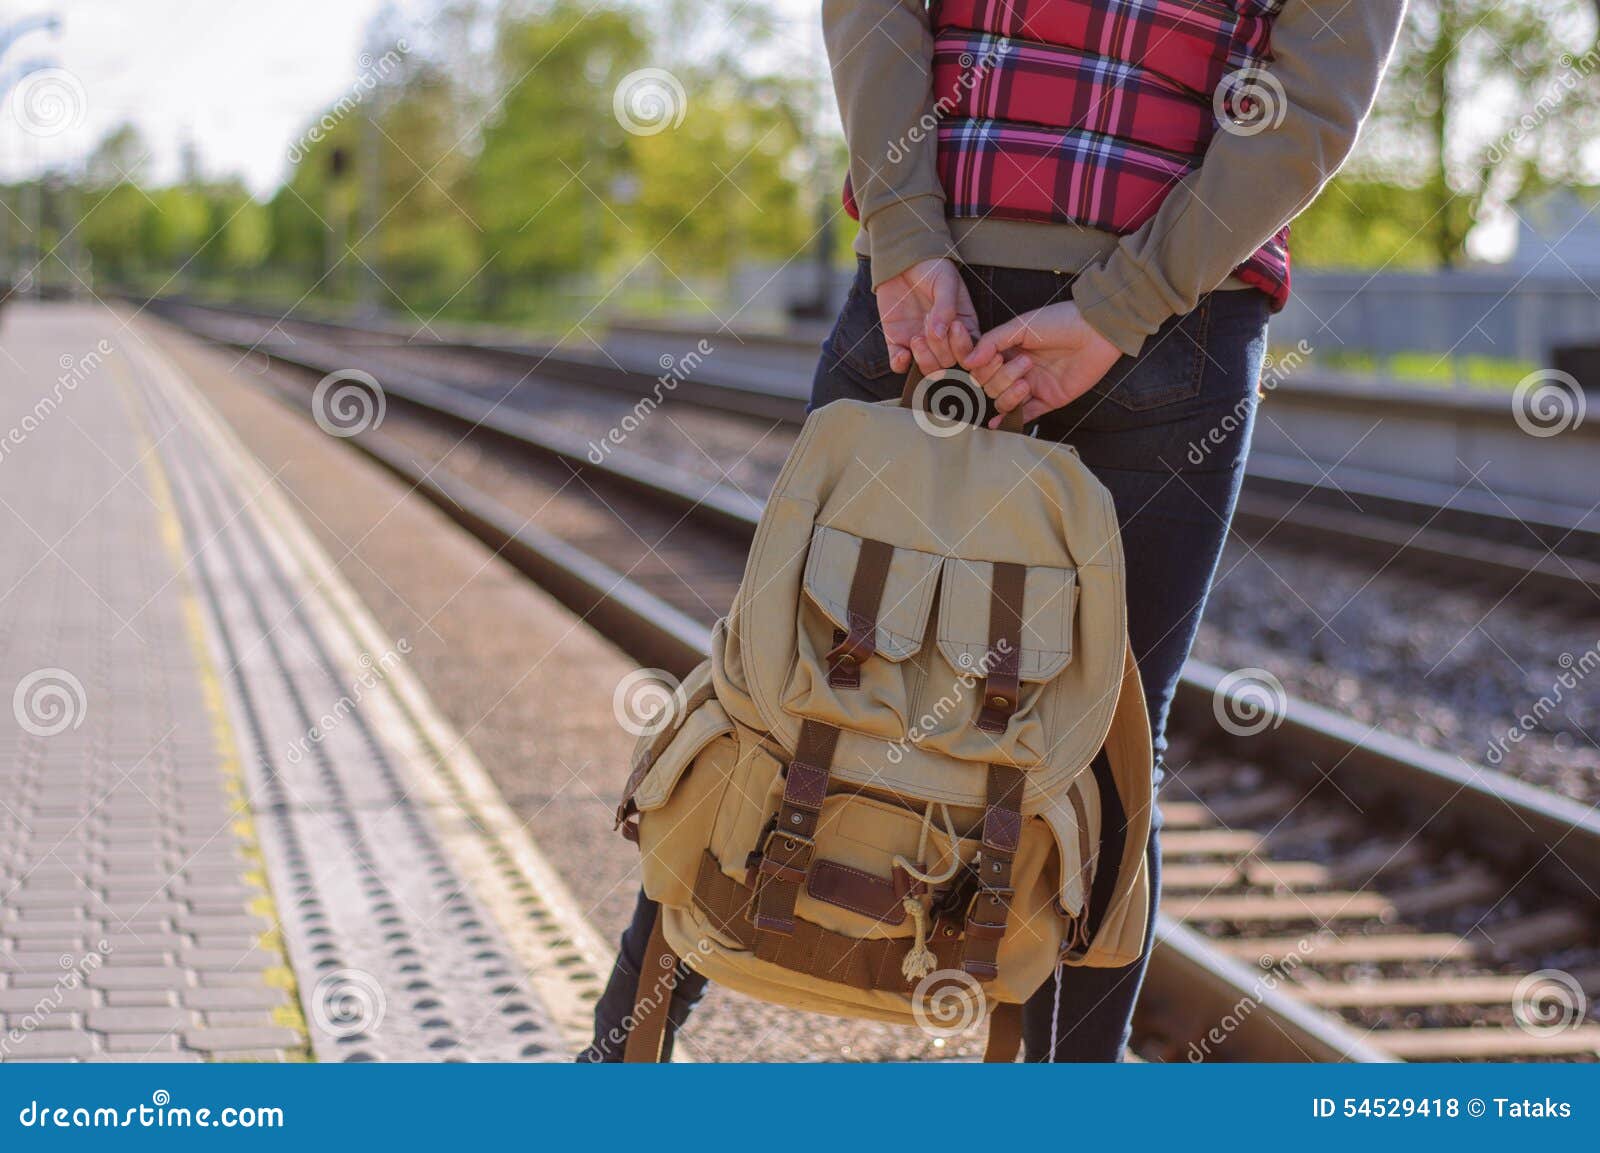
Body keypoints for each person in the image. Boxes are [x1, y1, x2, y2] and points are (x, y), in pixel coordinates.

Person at [582, 0, 1408, 1062]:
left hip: (936, 273)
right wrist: (1121, 303)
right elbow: (1310, 104)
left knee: (779, 689)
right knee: (1109, 764)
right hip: (1170, 328)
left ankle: (614, 1069)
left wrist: (908, 240)